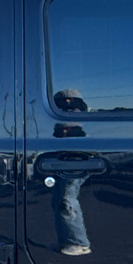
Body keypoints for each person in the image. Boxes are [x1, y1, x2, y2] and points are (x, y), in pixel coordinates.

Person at [49, 89, 92, 255]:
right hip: (64, 159)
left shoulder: (74, 115)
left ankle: (79, 242)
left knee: (67, 200)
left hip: (75, 160)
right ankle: (65, 239)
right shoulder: (68, 114)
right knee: (58, 201)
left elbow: (67, 129)